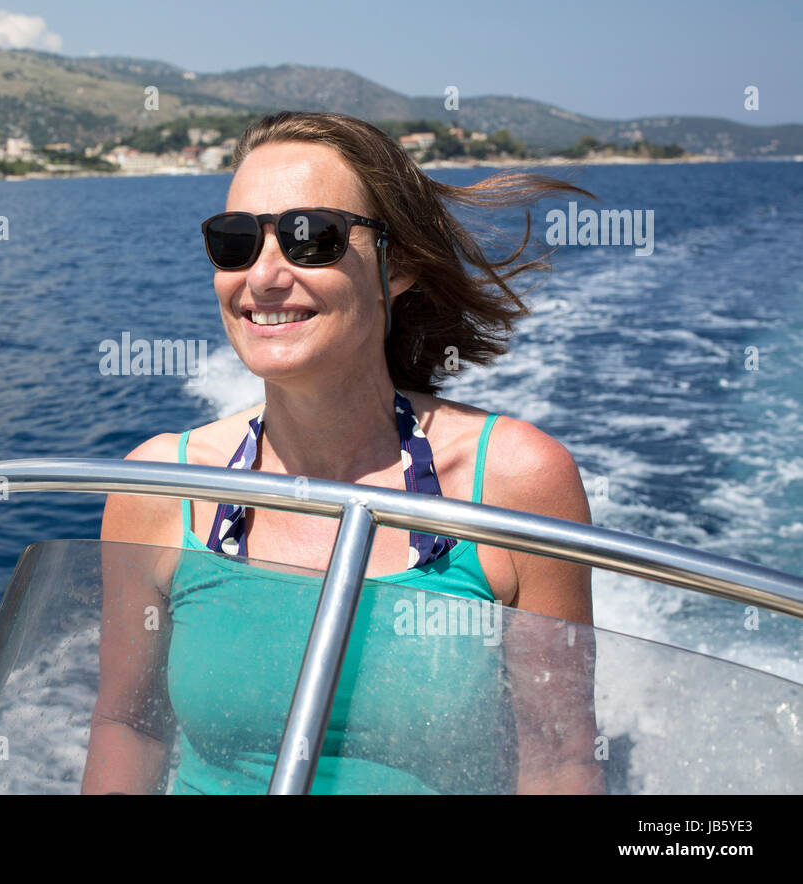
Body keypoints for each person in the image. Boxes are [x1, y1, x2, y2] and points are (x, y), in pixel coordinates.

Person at [81, 111, 604, 794]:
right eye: (235, 242)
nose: (263, 277)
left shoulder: (514, 482)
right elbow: (129, 724)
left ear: (401, 265)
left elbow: (559, 760)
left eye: (310, 237)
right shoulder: (159, 485)